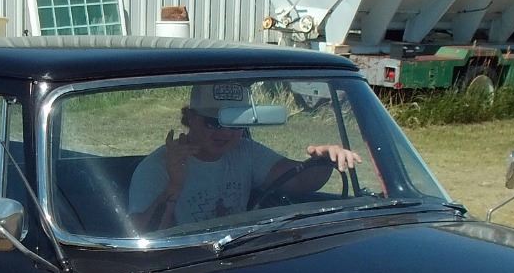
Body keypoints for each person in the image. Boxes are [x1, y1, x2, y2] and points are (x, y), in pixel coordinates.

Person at [128, 81, 361, 232]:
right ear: (190, 118)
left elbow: (298, 181)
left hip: (238, 251)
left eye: (235, 124)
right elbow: (144, 236)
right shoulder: (157, 167)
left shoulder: (244, 151)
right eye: (214, 123)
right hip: (182, 265)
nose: (225, 133)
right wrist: (174, 186)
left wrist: (324, 159)